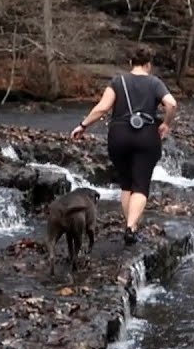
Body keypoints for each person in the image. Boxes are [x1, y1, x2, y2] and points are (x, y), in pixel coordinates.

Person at [70, 45, 177, 245]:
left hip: (119, 135)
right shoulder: (155, 83)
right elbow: (171, 104)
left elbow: (102, 108)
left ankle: (131, 228)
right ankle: (130, 227)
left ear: (130, 63)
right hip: (146, 134)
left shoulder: (117, 82)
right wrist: (165, 124)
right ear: (148, 65)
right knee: (141, 185)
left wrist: (83, 125)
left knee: (127, 184)